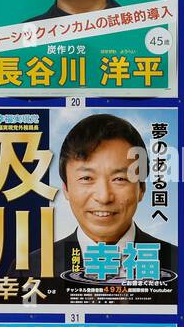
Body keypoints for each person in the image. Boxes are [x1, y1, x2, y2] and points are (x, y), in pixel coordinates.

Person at [51, 114, 177, 281]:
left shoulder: (182, 264)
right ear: (66, 189)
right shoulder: (30, 268)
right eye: (87, 178)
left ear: (142, 188)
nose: (104, 197)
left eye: (119, 179)